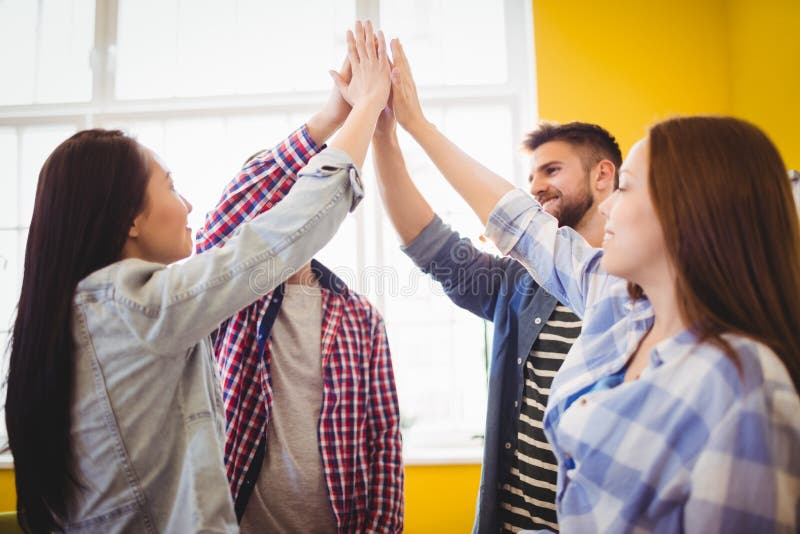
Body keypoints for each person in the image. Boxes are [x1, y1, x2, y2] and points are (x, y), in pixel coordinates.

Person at [386, 38, 800, 531]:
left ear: (687, 211)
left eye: (624, 187)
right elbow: (516, 222)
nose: (609, 208)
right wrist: (407, 125)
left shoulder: (745, 387)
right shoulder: (618, 303)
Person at [3, 22, 391, 533]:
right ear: (130, 220)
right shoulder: (144, 308)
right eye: (170, 186)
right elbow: (281, 232)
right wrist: (366, 107)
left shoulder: (68, 316)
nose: (188, 204)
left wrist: (330, 117)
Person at [371, 103, 620, 530]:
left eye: (552, 170)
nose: (537, 187)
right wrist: (383, 137)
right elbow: (429, 243)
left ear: (603, 175)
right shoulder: (517, 284)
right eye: (531, 178)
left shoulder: (635, 291)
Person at [196, 21, 402, 533]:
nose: (292, 213)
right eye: (277, 202)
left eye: (302, 197)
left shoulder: (361, 318)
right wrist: (340, 115)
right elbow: (224, 221)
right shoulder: (226, 300)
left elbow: (384, 441)